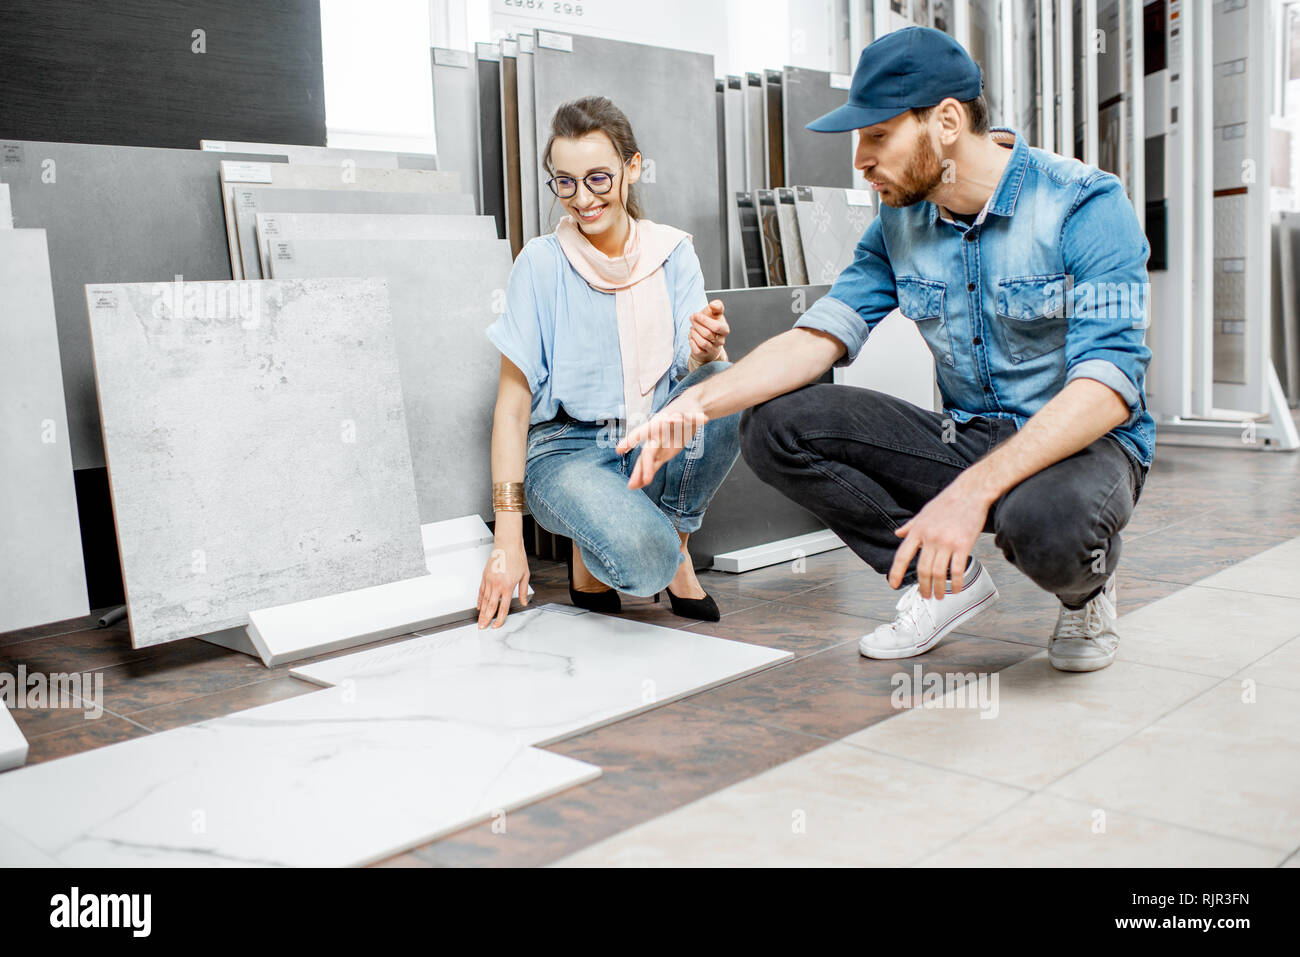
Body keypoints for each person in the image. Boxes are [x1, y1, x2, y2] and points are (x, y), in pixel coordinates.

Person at [617, 26, 1154, 673]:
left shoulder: (1085, 204)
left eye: (877, 135)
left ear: (947, 120)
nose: (859, 160)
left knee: (1044, 524)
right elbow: (818, 338)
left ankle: (1087, 590)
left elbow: (1110, 383)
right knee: (774, 423)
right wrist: (699, 401)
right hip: (969, 433)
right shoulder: (899, 223)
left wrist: (970, 494)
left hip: (1084, 447)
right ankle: (943, 584)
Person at [476, 95, 742, 630]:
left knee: (726, 382)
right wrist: (507, 536)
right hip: (568, 451)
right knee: (643, 567)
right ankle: (646, 550)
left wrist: (706, 351)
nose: (582, 198)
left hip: (652, 437)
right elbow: (511, 409)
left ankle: (675, 543)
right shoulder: (541, 264)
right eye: (566, 182)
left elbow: (698, 385)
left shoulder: (672, 252)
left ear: (632, 167)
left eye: (598, 178)